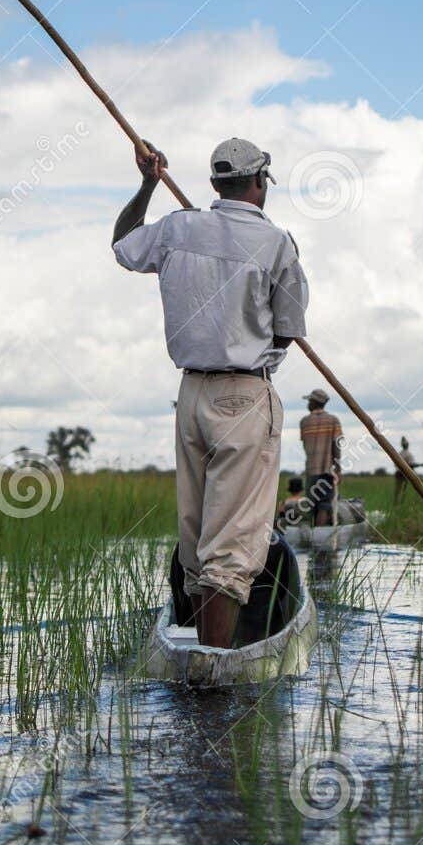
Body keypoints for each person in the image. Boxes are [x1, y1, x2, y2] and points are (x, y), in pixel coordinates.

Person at [113, 136, 309, 648]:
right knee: (232, 546)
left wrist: (147, 185)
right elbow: (288, 328)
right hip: (245, 395)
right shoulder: (277, 243)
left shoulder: (179, 227)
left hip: (191, 398)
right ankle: (214, 671)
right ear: (260, 183)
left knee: (197, 539)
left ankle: (203, 652)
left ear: (216, 183)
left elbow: (122, 244)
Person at [299, 389, 342, 525]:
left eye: (309, 401)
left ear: (314, 402)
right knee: (324, 503)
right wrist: (338, 467)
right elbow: (337, 445)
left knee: (313, 504)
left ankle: (313, 536)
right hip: (326, 470)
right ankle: (319, 539)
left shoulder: (304, 422)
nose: (308, 404)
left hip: (310, 470)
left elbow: (305, 445)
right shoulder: (333, 421)